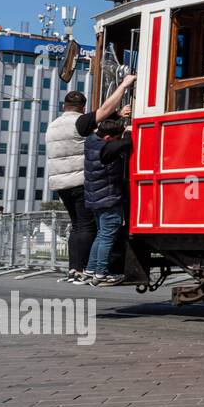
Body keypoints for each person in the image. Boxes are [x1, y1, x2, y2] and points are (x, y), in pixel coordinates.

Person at [46, 76, 136, 282]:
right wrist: (124, 85)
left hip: (60, 183)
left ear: (64, 105)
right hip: (80, 181)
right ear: (82, 108)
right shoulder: (80, 121)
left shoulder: (54, 125)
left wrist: (118, 115)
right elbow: (103, 111)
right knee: (88, 227)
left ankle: (74, 268)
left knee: (76, 225)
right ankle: (88, 268)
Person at [82, 115, 134, 285]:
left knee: (100, 235)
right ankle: (101, 274)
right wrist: (128, 134)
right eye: (115, 138)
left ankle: (90, 270)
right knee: (106, 237)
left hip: (95, 199)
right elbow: (126, 144)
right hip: (108, 199)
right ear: (107, 138)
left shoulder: (90, 140)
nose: (118, 141)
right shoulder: (106, 149)